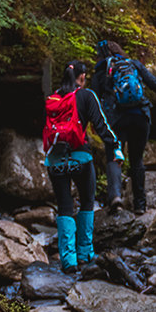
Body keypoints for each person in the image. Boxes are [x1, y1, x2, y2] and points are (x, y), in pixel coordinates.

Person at [43, 59, 121, 273]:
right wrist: (115, 147)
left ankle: (68, 261)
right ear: (82, 77)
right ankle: (85, 254)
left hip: (56, 160)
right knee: (87, 202)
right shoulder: (86, 96)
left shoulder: (53, 99)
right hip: (81, 159)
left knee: (64, 207)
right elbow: (102, 125)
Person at [92, 40, 156, 214]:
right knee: (137, 160)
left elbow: (94, 99)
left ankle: (115, 197)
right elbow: (154, 82)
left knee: (115, 157)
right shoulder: (133, 64)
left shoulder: (101, 71)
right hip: (140, 116)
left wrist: (95, 122)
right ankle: (140, 205)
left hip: (117, 121)